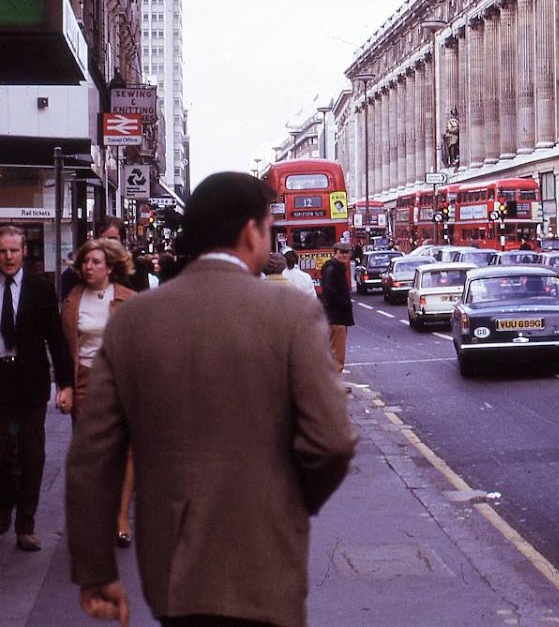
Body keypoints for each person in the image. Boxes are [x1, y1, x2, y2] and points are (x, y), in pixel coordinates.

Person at [65, 172, 357, 626]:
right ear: (249, 231)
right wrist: (291, 500)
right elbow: (333, 441)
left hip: (173, 565)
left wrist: (95, 570)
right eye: (269, 228)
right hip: (266, 557)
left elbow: (92, 455)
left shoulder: (133, 319)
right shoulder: (291, 314)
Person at [0, 225, 74, 552]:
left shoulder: (40, 290)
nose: (8, 257)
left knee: (32, 455)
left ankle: (25, 525)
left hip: (31, 382)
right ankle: (3, 512)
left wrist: (66, 384)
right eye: (2, 251)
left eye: (14, 251)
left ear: (24, 253)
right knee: (2, 455)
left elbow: (56, 341)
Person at [61, 238, 137, 547]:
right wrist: (64, 386)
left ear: (110, 267)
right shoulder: (73, 301)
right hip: (85, 379)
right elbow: (63, 347)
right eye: (85, 262)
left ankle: (120, 517)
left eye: (95, 262)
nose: (88, 267)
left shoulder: (129, 299)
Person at [321, 241, 355, 374]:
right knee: (338, 354)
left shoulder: (336, 268)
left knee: (334, 352)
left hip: (335, 317)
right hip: (337, 318)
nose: (344, 255)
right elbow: (331, 293)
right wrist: (345, 304)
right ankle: (335, 385)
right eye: (341, 252)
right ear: (334, 253)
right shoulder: (332, 270)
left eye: (346, 253)